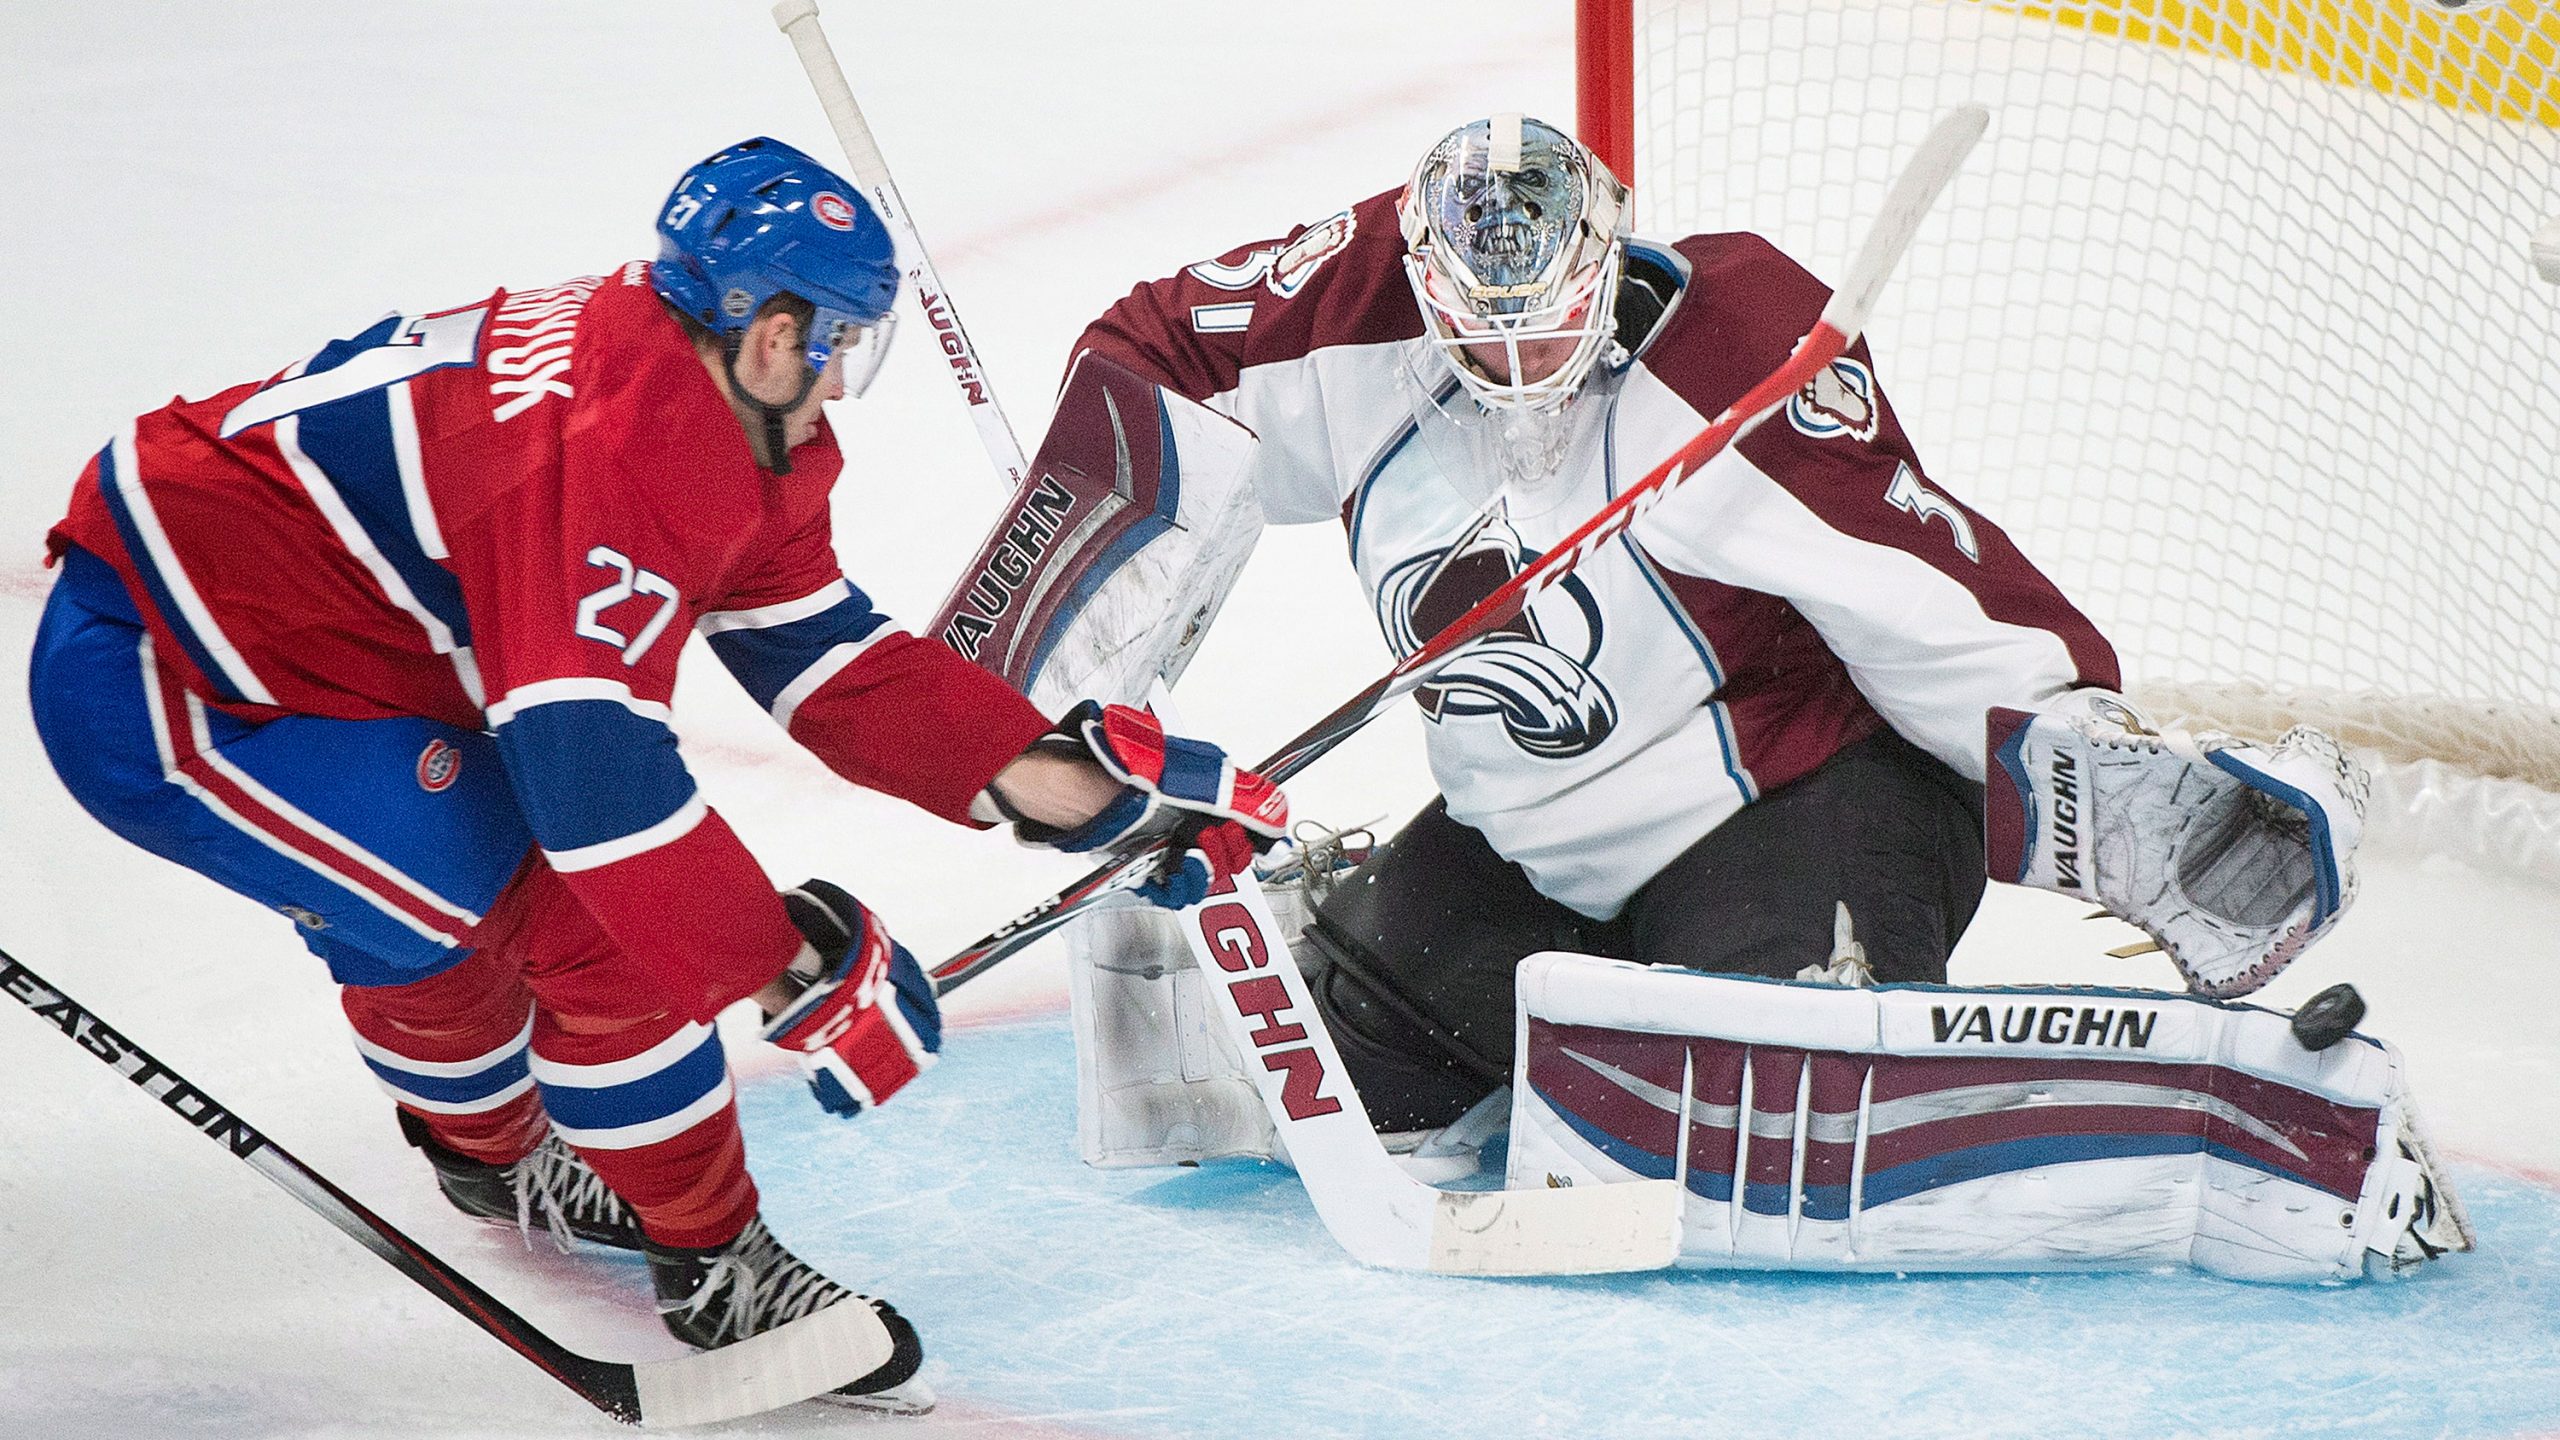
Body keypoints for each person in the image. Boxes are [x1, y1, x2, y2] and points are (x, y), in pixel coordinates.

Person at [26, 136, 1286, 1410]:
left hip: (343, 647)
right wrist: (781, 967)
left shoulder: (707, 398)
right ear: (772, 333)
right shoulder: (606, 452)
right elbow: (597, 794)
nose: (843, 379)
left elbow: (821, 650)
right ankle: (713, 1263)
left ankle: (490, 1159)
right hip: (183, 686)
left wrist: (1063, 785)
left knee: (450, 913)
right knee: (590, 933)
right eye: (841, 343)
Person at [969, 113, 2364, 1146]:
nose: (1519, 364)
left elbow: (1932, 598)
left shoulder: (1732, 351)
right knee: (1318, 1090)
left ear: (1608, 250)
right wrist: (1029, 702)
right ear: (1424, 282)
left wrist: (2116, 791)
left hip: (1799, 803)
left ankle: (1817, 1010)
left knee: (1769, 1113)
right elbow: (1151, 357)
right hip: (1532, 844)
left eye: (1550, 324)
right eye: (1481, 332)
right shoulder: (1354, 315)